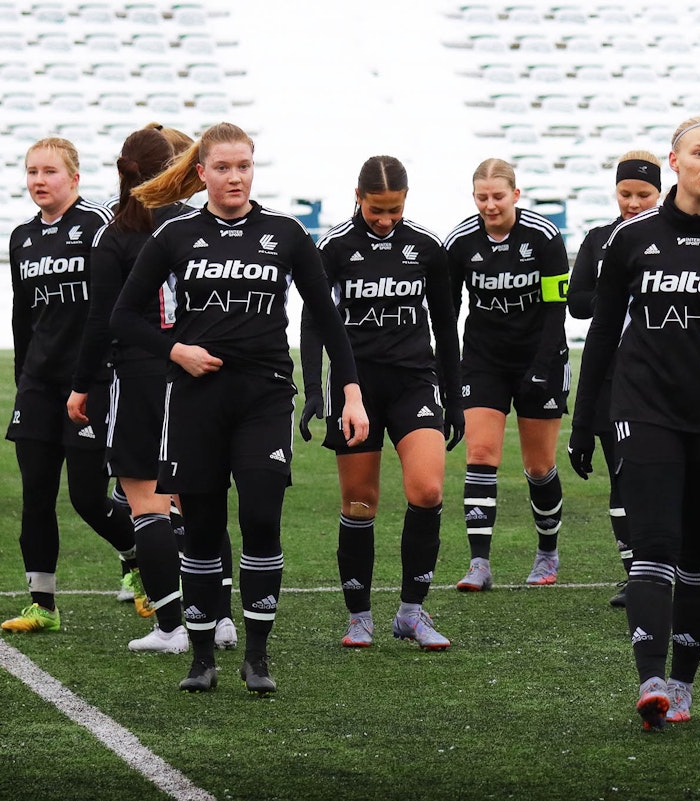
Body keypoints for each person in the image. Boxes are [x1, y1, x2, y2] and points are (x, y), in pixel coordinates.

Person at [111, 122, 368, 694]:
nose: (234, 177)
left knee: (258, 516)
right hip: (196, 399)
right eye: (222, 168)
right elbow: (124, 316)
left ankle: (256, 655)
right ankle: (201, 658)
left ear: (254, 169)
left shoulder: (285, 233)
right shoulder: (174, 236)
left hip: (265, 396)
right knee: (201, 530)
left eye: (243, 167)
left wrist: (349, 391)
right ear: (201, 173)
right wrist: (177, 349)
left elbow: (328, 317)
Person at [568, 116, 700, 730]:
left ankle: (683, 683)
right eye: (698, 153)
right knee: (654, 547)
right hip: (643, 409)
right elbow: (602, 333)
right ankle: (651, 680)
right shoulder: (631, 240)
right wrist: (585, 421)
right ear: (674, 162)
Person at [67, 125, 237, 654]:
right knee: (199, 498)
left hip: (139, 374)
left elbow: (102, 323)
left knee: (147, 504)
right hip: (196, 371)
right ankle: (222, 618)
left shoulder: (114, 234)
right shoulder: (196, 224)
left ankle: (171, 627)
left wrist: (80, 388)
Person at [299, 155, 464, 651]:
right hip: (356, 388)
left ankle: (412, 613)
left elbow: (446, 327)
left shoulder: (427, 248)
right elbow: (313, 324)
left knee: (428, 490)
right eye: (377, 209)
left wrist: (453, 398)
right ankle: (360, 617)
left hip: (415, 381)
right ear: (358, 196)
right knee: (360, 503)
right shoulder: (332, 248)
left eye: (394, 209)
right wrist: (312, 389)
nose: (386, 218)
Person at [1, 137, 142, 634]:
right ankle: (43, 604)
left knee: (86, 498)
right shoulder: (21, 238)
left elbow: (115, 308)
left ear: (75, 178)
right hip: (38, 387)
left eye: (50, 172)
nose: (39, 180)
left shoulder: (97, 227)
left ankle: (136, 558)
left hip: (93, 382)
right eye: (32, 172)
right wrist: (23, 379)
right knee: (36, 495)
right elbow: (23, 315)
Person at [444, 158, 570, 590]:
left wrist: (542, 365)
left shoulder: (545, 236)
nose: (490, 205)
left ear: (515, 195)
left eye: (498, 196)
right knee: (480, 454)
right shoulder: (461, 242)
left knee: (539, 466)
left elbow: (557, 307)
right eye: (482, 197)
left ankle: (547, 553)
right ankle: (479, 564)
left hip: (540, 356)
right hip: (484, 360)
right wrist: (450, 368)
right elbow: (449, 311)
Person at [567, 149, 663, 608]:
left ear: (660, 193)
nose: (633, 202)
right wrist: (616, 288)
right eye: (626, 193)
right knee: (621, 477)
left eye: (643, 194)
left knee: (659, 475)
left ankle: (669, 566)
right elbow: (577, 301)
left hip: (663, 373)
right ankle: (636, 573)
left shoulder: (673, 237)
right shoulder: (598, 239)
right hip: (610, 374)